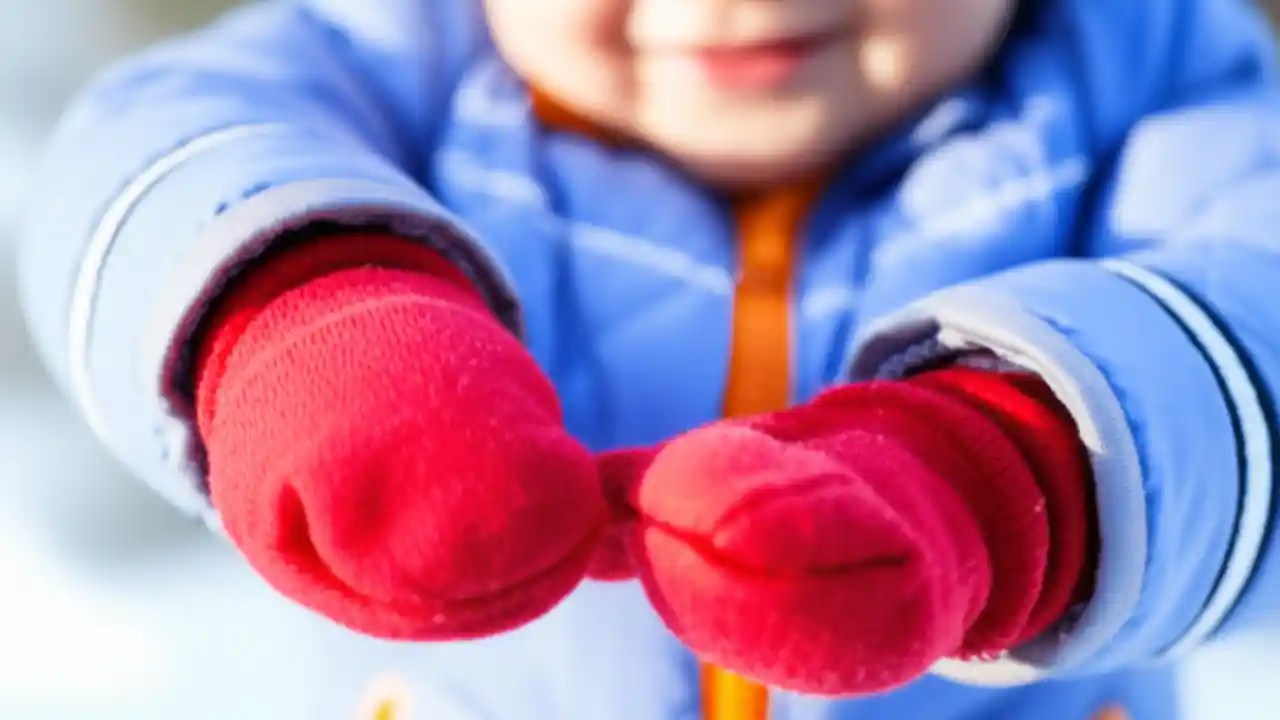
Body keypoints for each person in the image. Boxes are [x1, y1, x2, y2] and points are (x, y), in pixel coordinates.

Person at [19, 0, 1280, 718]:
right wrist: (316, 331)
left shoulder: (1147, 79)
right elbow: (143, 169)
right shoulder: (392, 58)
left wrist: (997, 481)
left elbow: (1251, 316)